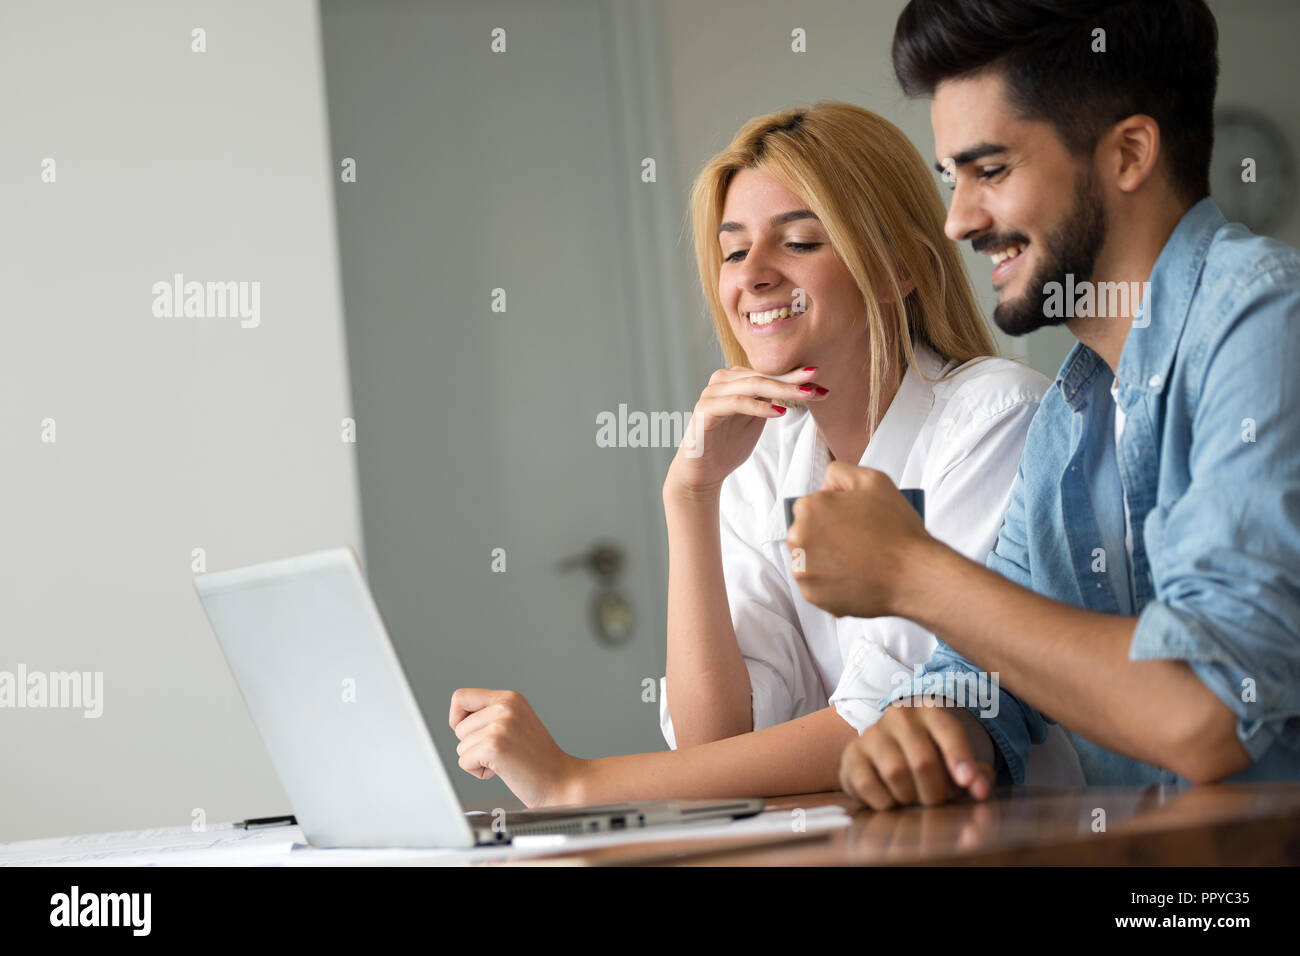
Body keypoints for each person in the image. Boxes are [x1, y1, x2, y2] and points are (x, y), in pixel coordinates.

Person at [448, 102, 1080, 809]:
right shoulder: (765, 450)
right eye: (733, 250)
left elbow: (890, 724)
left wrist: (578, 784)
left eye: (800, 242)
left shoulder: (994, 417)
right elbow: (716, 742)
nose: (753, 275)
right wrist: (689, 496)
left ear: (898, 268)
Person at [791, 0, 1300, 810]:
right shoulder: (1074, 407)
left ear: (1130, 152)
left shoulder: (1267, 321)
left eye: (990, 171)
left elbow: (1208, 709)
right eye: (950, 178)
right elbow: (988, 680)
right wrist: (917, 733)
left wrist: (909, 570)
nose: (958, 221)